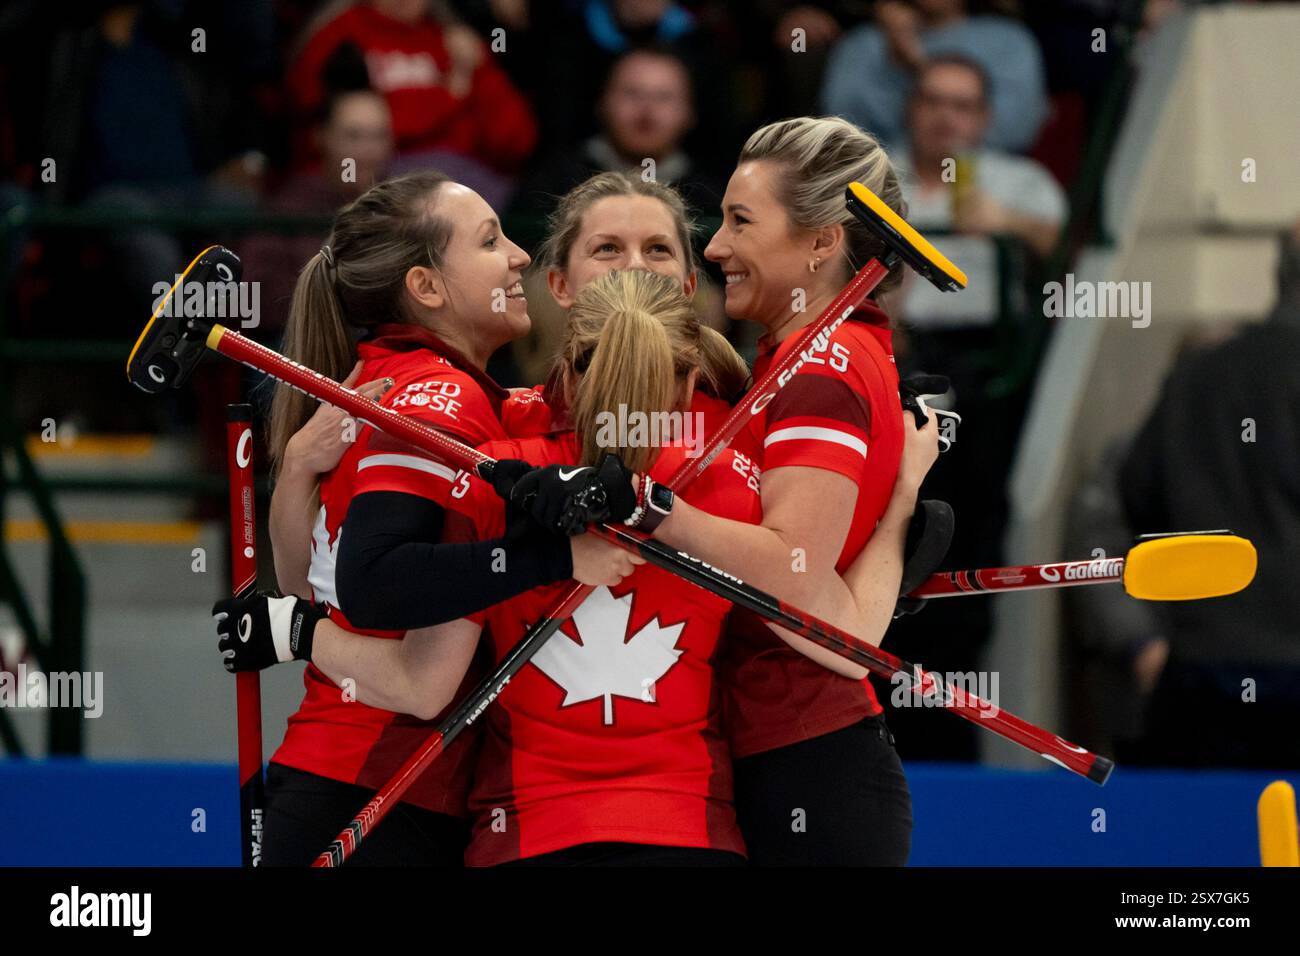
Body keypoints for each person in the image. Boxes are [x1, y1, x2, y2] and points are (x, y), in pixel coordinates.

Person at [217, 269, 941, 865]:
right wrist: (898, 503)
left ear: (567, 364)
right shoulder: (734, 480)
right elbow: (843, 637)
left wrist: (296, 609)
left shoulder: (496, 469)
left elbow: (414, 666)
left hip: (527, 837)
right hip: (692, 834)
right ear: (692, 377)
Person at [230, 169, 635, 865]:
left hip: (342, 776)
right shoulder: (438, 393)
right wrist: (558, 559)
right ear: (426, 288)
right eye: (489, 241)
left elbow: (307, 590)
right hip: (376, 789)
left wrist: (296, 474)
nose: (518, 256)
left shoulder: (406, 377)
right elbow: (376, 586)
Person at [639, 116, 923, 865]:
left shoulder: (821, 365)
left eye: (740, 221)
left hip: (806, 761)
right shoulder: (806, 353)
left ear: (824, 241)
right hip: (792, 750)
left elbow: (792, 569)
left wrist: (649, 512)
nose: (717, 247)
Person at [821, 0, 1047, 153]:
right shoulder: (861, 45)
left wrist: (917, 67)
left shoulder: (1009, 40)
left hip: (984, 177)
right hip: (884, 176)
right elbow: (842, 136)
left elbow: (1015, 130)